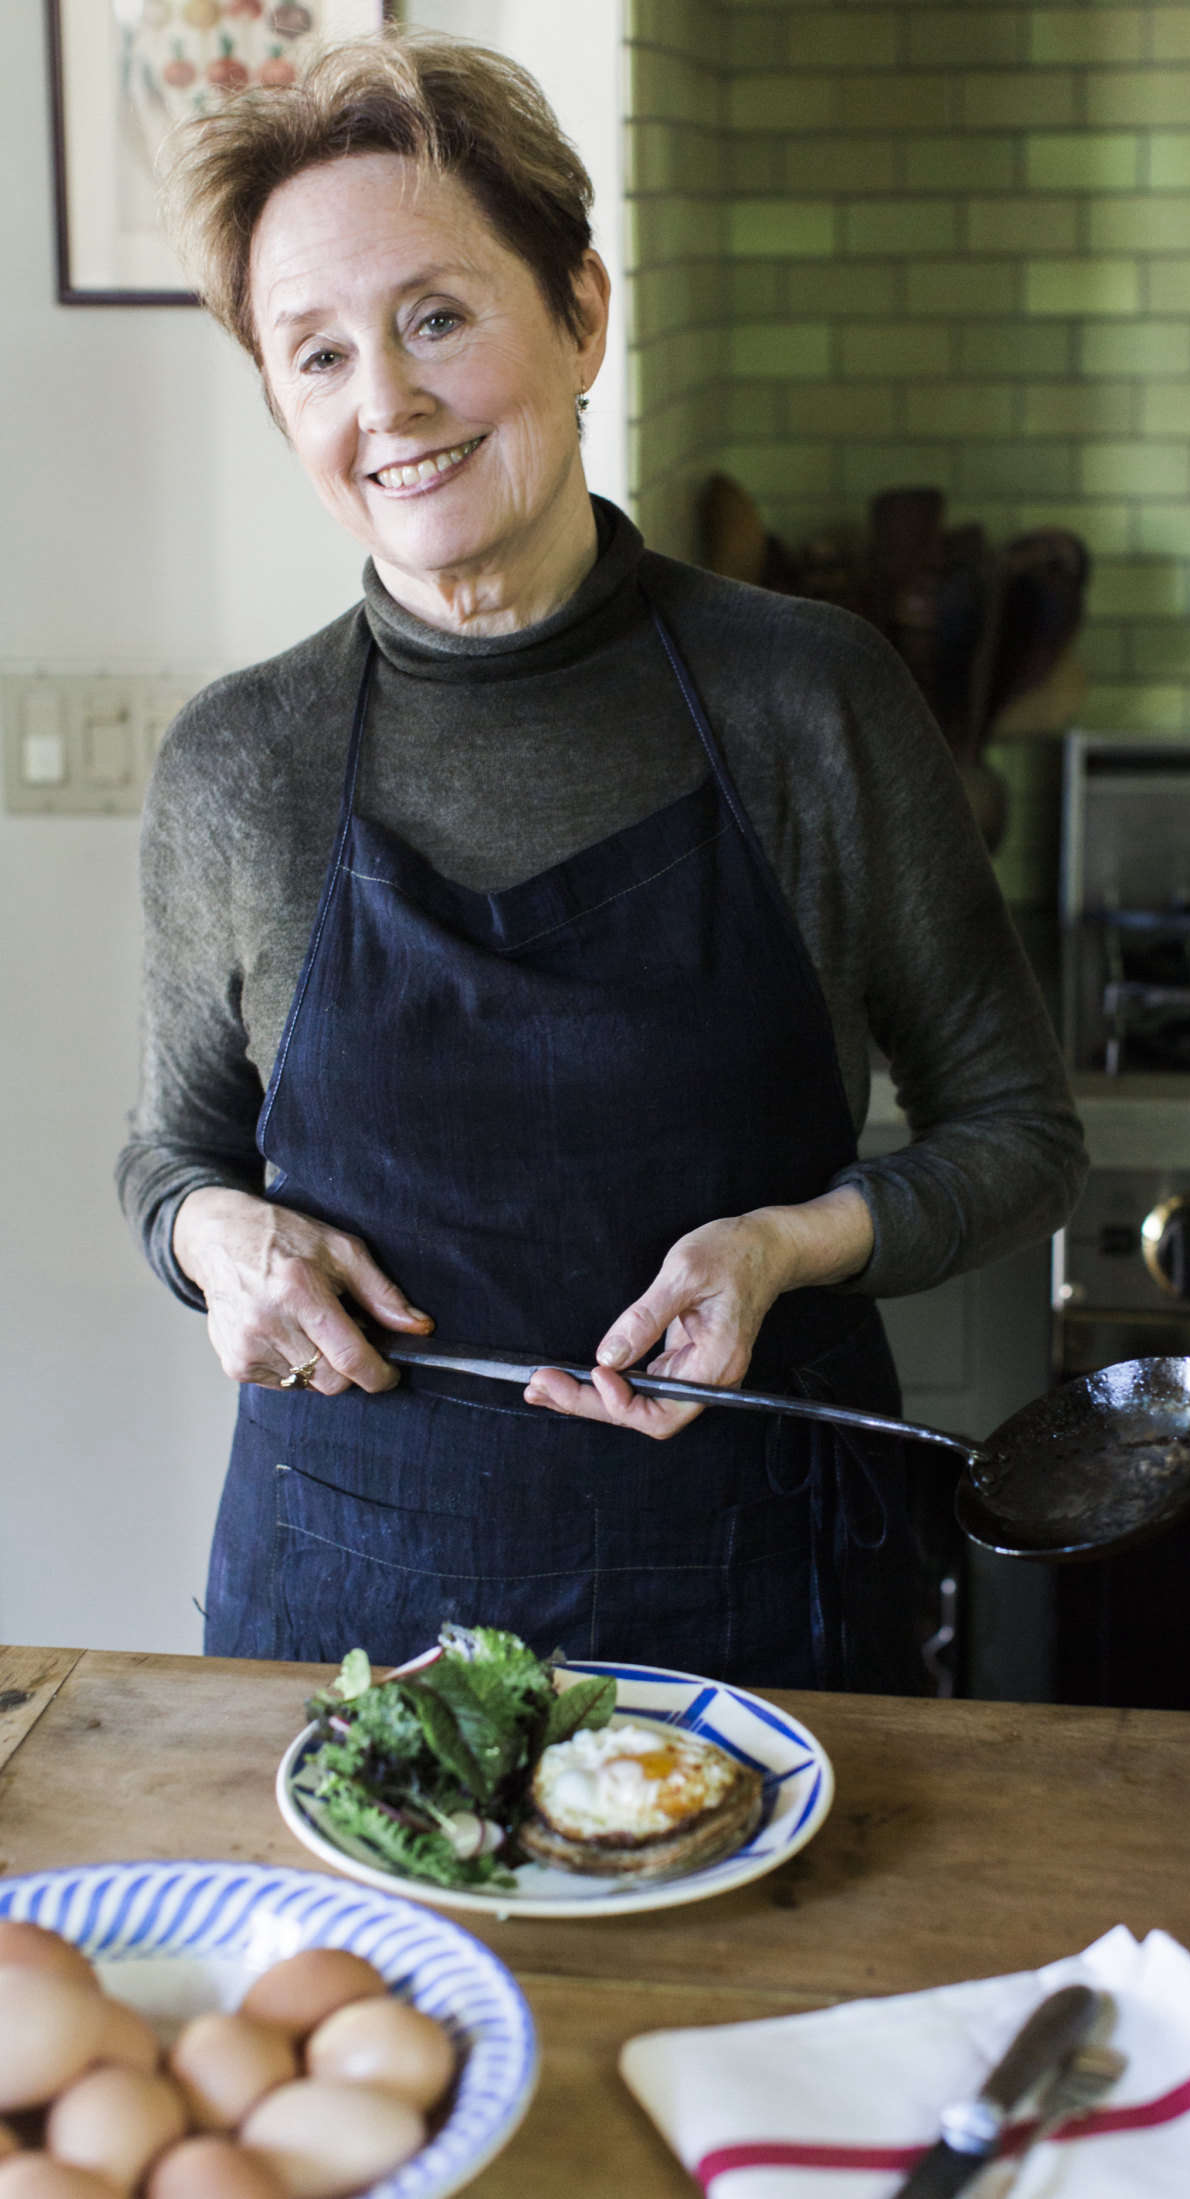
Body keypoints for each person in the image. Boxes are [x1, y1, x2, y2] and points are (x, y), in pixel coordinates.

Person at [118, 30, 1087, 1694]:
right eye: (318, 355)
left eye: (436, 317)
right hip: (343, 1629)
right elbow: (171, 1160)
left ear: (580, 312)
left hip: (764, 1594)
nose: (390, 404)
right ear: (281, 403)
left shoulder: (811, 697)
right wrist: (222, 1242)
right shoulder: (236, 767)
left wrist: (789, 1247)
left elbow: (1018, 1132)